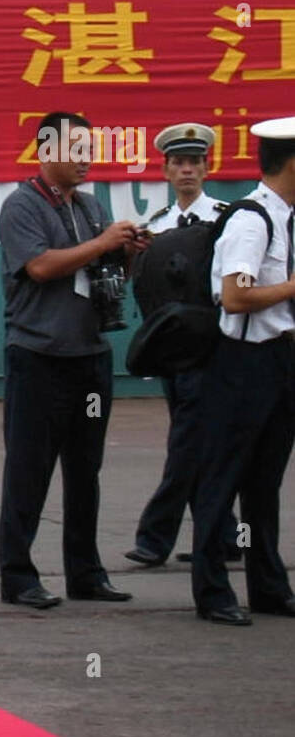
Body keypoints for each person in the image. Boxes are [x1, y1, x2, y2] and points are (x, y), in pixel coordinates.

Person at [0, 112, 147, 609]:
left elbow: (105, 273)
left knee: (86, 470)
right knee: (29, 469)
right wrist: (103, 242)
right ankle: (18, 577)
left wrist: (125, 252)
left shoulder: (90, 207)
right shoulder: (21, 206)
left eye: (89, 149)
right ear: (45, 150)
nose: (85, 160)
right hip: (39, 357)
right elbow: (39, 267)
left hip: (90, 356)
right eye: (75, 150)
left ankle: (86, 572)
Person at [187, 115, 295, 626]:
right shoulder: (252, 220)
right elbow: (235, 295)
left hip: (280, 362)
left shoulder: (287, 217)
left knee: (265, 480)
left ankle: (269, 586)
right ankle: (212, 591)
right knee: (223, 479)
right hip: (243, 364)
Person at [125, 122, 239, 567]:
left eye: (195, 162)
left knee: (188, 444)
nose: (187, 170)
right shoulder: (154, 229)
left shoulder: (228, 219)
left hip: (214, 349)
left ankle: (156, 537)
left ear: (207, 168)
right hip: (172, 352)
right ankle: (225, 536)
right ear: (167, 171)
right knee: (198, 442)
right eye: (179, 163)